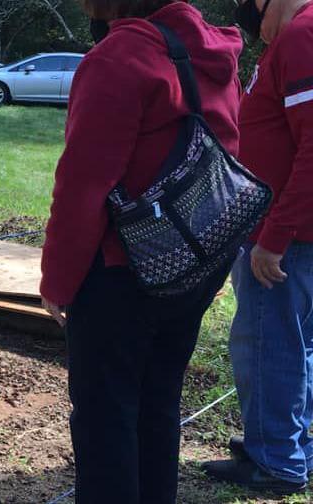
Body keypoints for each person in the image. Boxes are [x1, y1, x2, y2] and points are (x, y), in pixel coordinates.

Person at [39, 0, 243, 501]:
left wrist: (57, 283)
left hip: (120, 276)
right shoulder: (214, 53)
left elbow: (82, 187)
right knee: (157, 407)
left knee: (106, 423)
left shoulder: (119, 58)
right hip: (190, 267)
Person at [201, 0, 313, 494]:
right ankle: (290, 445)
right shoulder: (294, 38)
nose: (248, 14)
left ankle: (275, 461)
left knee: (267, 345)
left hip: (286, 238)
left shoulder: (301, 37)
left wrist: (273, 238)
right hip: (294, 233)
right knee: (296, 346)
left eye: (253, 4)